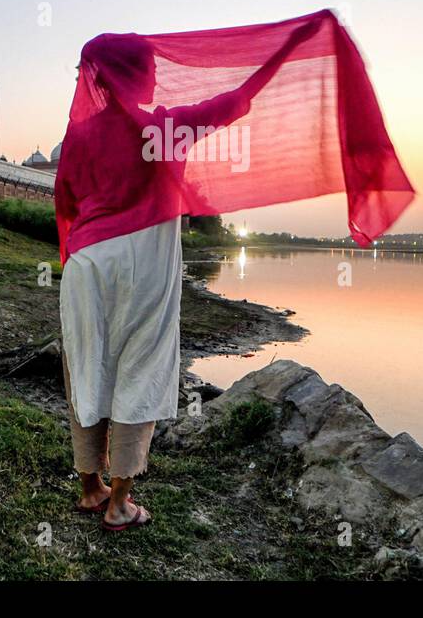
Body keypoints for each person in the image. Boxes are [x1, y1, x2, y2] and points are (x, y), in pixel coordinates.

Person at [55, 28, 311, 530]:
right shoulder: (162, 130)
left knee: (87, 367)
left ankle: (90, 490)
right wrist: (285, 48)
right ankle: (120, 504)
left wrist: (74, 253)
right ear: (131, 74)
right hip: (141, 263)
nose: (154, 75)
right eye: (147, 67)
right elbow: (235, 101)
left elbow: (65, 201)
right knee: (140, 366)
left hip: (86, 265)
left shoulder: (78, 136)